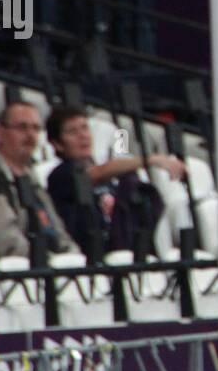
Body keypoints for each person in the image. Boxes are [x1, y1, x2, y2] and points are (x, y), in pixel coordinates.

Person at [46, 106, 182, 258]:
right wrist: (149, 160)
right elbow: (96, 174)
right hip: (89, 260)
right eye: (72, 132)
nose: (82, 136)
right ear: (57, 144)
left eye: (84, 128)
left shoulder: (109, 179)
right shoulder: (60, 175)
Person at [0, 102, 76, 260]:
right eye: (22, 127)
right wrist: (49, 262)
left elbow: (58, 232)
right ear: (0, 133)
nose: (30, 135)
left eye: (35, 128)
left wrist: (73, 257)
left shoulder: (33, 182)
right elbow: (6, 242)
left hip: (54, 271)